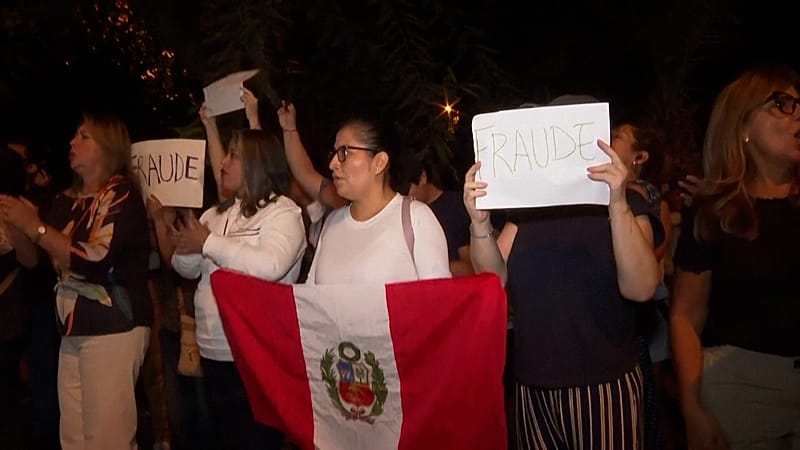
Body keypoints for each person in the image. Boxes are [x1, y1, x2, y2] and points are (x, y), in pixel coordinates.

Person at [463, 94, 662, 449]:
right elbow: (492, 277)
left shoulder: (626, 204)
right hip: (533, 383)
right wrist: (479, 223)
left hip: (603, 383)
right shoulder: (529, 210)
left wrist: (616, 204)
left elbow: (642, 287)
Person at [0, 112, 153, 450]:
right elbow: (35, 263)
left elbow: (95, 259)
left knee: (107, 439)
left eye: (84, 136)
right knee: (74, 438)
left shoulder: (121, 196)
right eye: (74, 135)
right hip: (73, 329)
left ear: (108, 147)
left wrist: (37, 228)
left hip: (114, 326)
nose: (72, 142)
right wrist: (20, 228)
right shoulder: (65, 201)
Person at [670, 62, 800, 450]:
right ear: (741, 127)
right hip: (739, 387)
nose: (799, 115)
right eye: (783, 104)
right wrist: (690, 405)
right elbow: (685, 316)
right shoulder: (714, 213)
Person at [168, 128, 307, 450]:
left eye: (233, 154)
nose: (223, 163)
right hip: (214, 351)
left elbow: (270, 267)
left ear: (257, 162)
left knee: (256, 441)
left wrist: (207, 243)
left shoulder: (283, 212)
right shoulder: (217, 213)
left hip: (256, 354)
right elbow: (184, 267)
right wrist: (189, 246)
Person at [0, 146, 38, 450]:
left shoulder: (13, 209)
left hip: (6, 313)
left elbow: (29, 260)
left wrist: (22, 226)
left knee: (5, 395)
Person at [400, 153, 473, 276]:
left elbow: (470, 267)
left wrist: (430, 265)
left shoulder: (457, 206)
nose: (404, 198)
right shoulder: (402, 211)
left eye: (407, 191)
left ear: (422, 178)